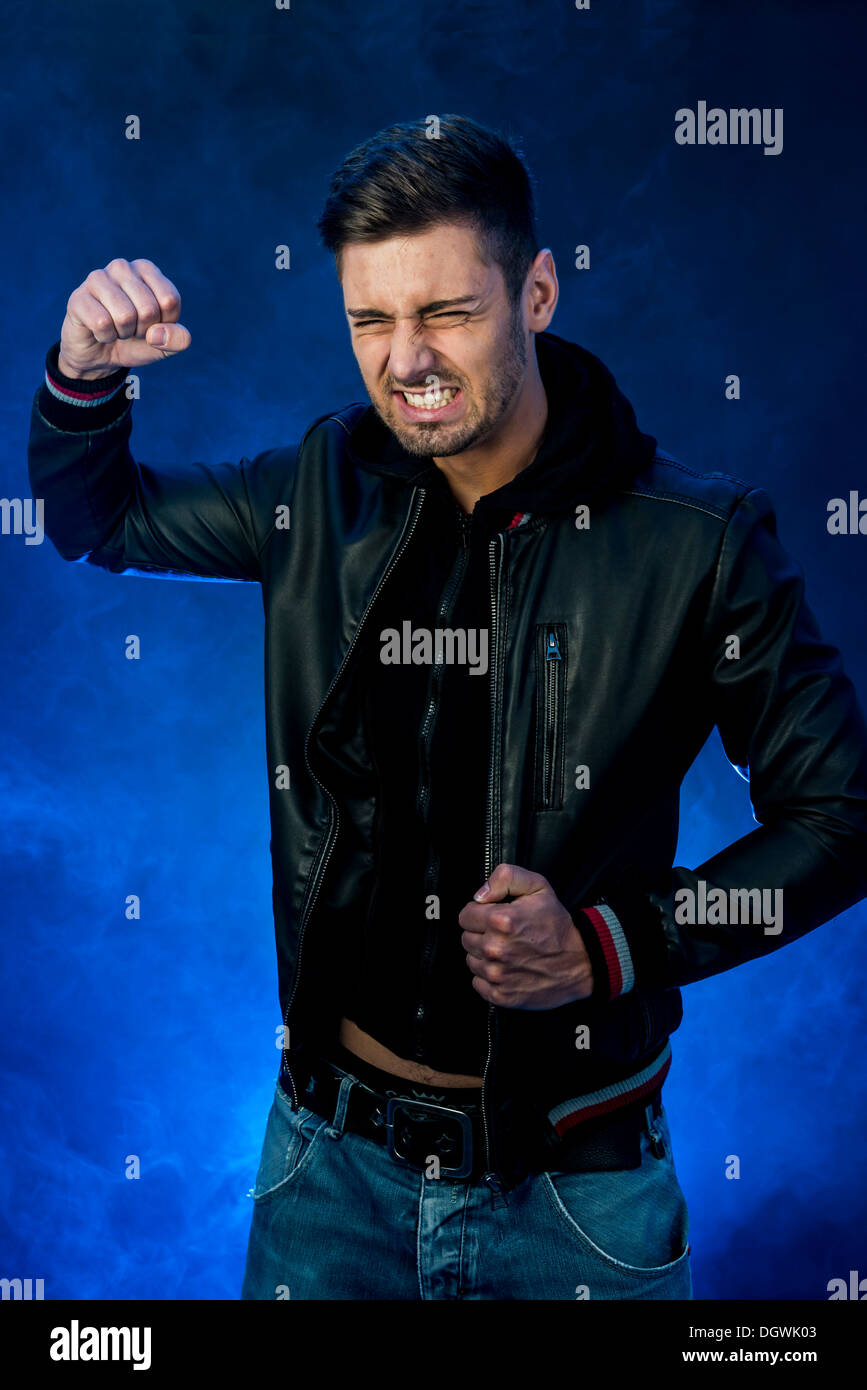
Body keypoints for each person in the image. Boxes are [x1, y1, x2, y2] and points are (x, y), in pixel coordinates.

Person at [27, 114, 867, 1301]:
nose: (405, 359)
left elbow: (841, 815)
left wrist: (605, 946)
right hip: (325, 1171)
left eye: (447, 313)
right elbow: (92, 517)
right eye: (371, 320)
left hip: (580, 1199)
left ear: (536, 291)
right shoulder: (317, 488)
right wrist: (84, 371)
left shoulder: (699, 543)